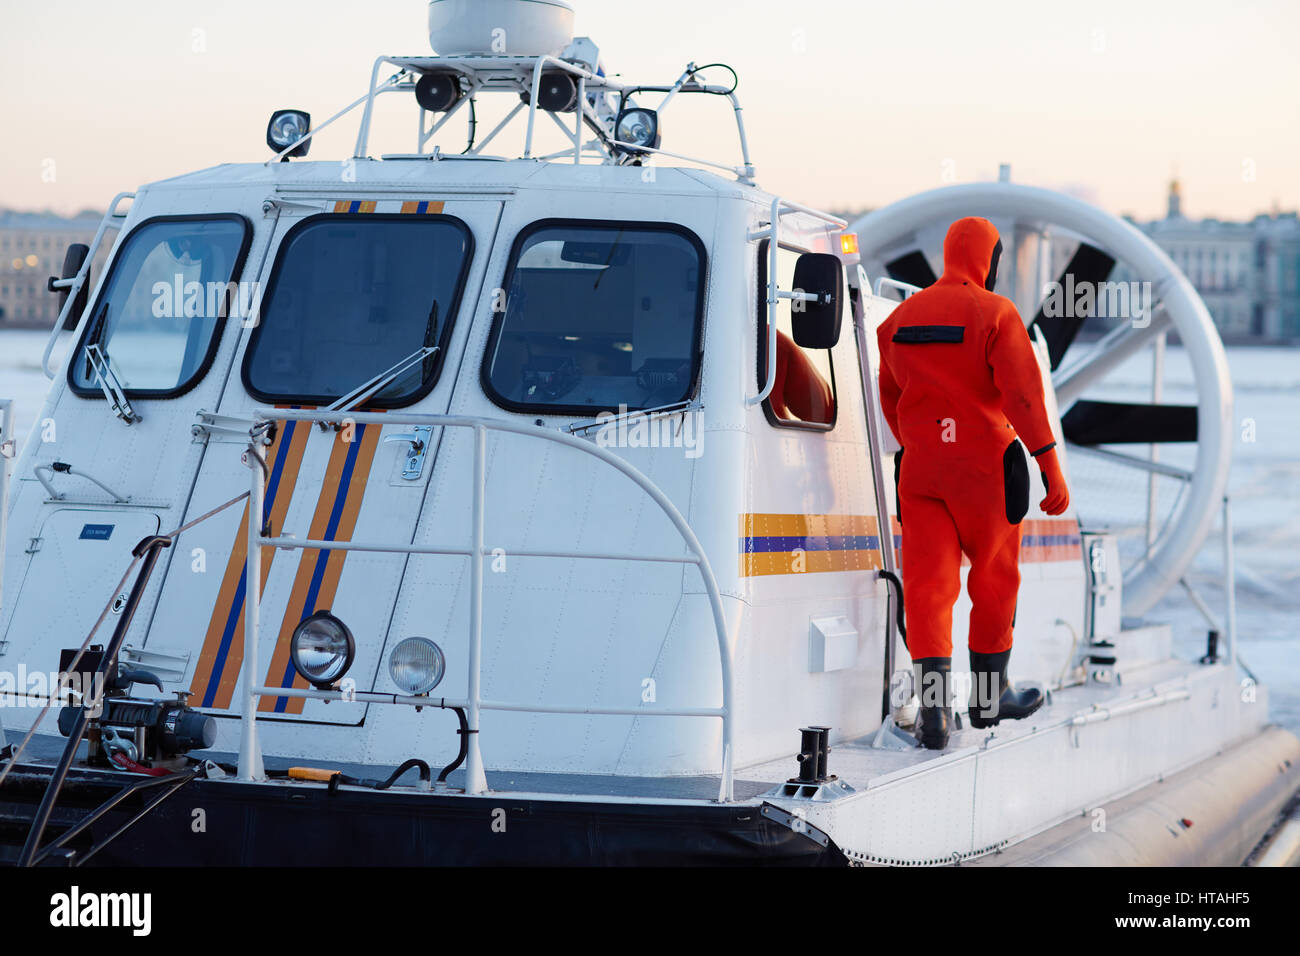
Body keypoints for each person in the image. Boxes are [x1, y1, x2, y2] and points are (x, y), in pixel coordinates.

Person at [876, 217, 1070, 749]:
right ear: (991, 259)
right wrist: (1049, 464)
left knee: (928, 587)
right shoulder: (996, 313)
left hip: (922, 472)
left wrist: (923, 438)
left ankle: (934, 713)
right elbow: (1023, 397)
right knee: (994, 581)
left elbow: (889, 396)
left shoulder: (896, 321)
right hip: (987, 472)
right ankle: (988, 700)